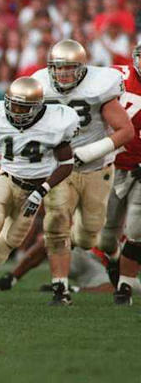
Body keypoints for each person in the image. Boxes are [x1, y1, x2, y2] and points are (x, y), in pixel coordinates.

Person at [0, 39, 133, 304]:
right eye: (58, 68)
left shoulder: (99, 86)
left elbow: (126, 131)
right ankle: (61, 289)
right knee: (56, 223)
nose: (63, 74)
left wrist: (90, 152)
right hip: (61, 169)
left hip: (96, 168)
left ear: (82, 68)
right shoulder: (40, 85)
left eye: (69, 68)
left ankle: (113, 257)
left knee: (87, 236)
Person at [0, 77, 79, 310]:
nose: (15, 112)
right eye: (13, 105)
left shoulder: (55, 124)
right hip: (6, 180)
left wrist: (42, 190)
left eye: (22, 108)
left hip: (34, 190)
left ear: (37, 107)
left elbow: (66, 165)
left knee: (8, 247)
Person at [101, 45, 141, 305]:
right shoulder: (115, 76)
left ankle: (124, 286)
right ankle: (115, 259)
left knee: (136, 229)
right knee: (105, 237)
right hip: (113, 164)